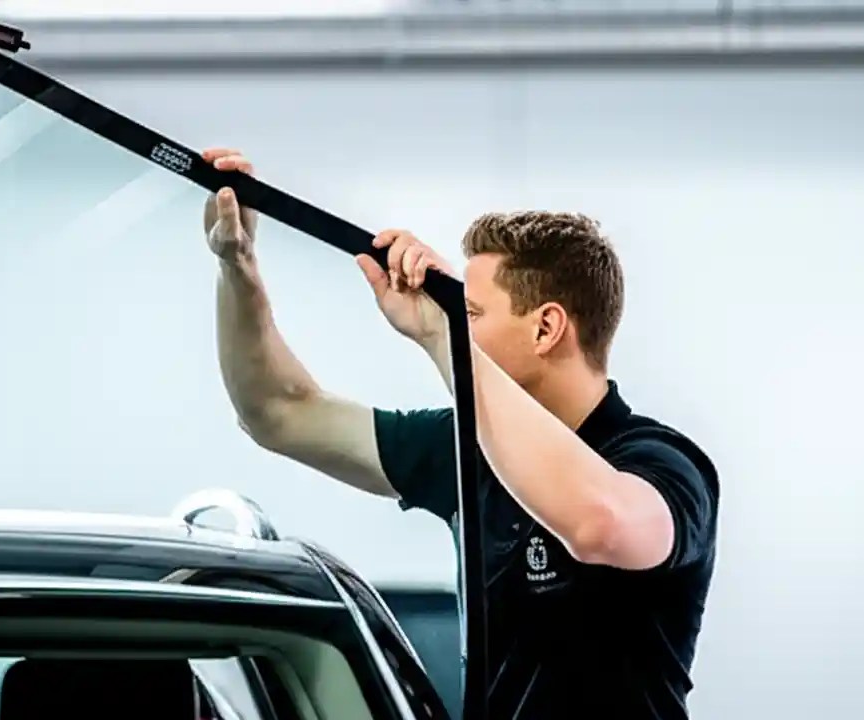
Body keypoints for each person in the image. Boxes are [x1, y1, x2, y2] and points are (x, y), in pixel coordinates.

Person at [200, 147, 719, 720]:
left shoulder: (662, 464)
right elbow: (275, 411)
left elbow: (599, 526)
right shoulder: (462, 448)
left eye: (469, 313)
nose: (456, 325)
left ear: (546, 327)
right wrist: (237, 267)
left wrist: (443, 338)